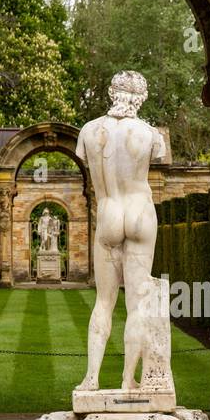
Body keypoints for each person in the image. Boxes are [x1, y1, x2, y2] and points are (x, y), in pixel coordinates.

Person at [75, 71, 167, 393]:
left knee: (103, 302)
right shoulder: (150, 134)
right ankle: (129, 379)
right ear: (140, 97)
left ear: (112, 92)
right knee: (138, 304)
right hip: (140, 212)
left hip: (109, 213)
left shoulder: (88, 131)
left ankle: (91, 379)